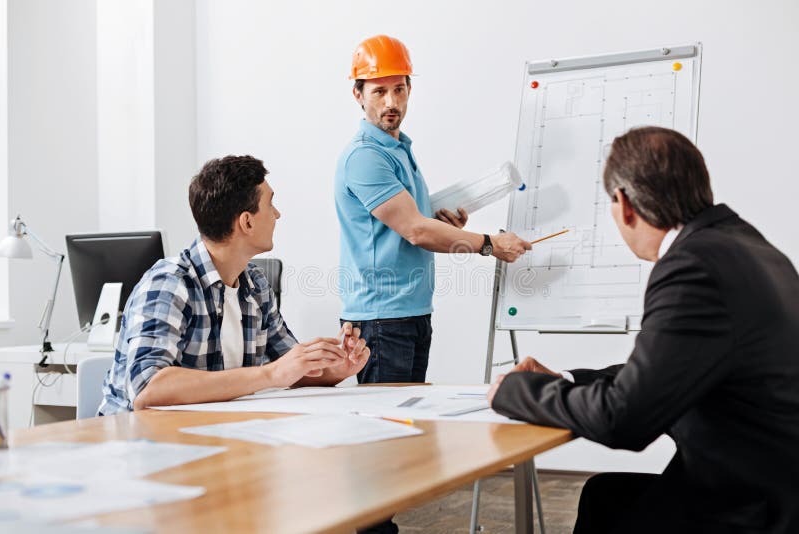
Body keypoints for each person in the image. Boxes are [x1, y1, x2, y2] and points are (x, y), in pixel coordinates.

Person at [488, 126, 799, 533]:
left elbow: (624, 420)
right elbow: (669, 369)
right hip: (770, 480)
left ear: (624, 204)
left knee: (612, 509)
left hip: (748, 506)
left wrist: (514, 391)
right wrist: (566, 380)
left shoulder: (692, 266)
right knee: (605, 495)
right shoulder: (752, 248)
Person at [99, 155, 370, 415]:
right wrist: (270, 374)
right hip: (139, 438)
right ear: (247, 222)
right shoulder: (169, 283)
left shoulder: (255, 284)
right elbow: (147, 389)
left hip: (211, 432)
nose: (277, 214)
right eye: (270, 204)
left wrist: (337, 368)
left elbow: (289, 369)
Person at [334, 34, 530, 385]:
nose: (391, 101)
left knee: (411, 415)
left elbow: (414, 223)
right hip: (382, 319)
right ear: (358, 95)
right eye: (379, 92)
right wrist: (490, 244)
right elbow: (415, 230)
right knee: (387, 419)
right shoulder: (365, 156)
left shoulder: (399, 149)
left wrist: (443, 223)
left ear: (410, 89)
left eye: (399, 89)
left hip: (411, 312)